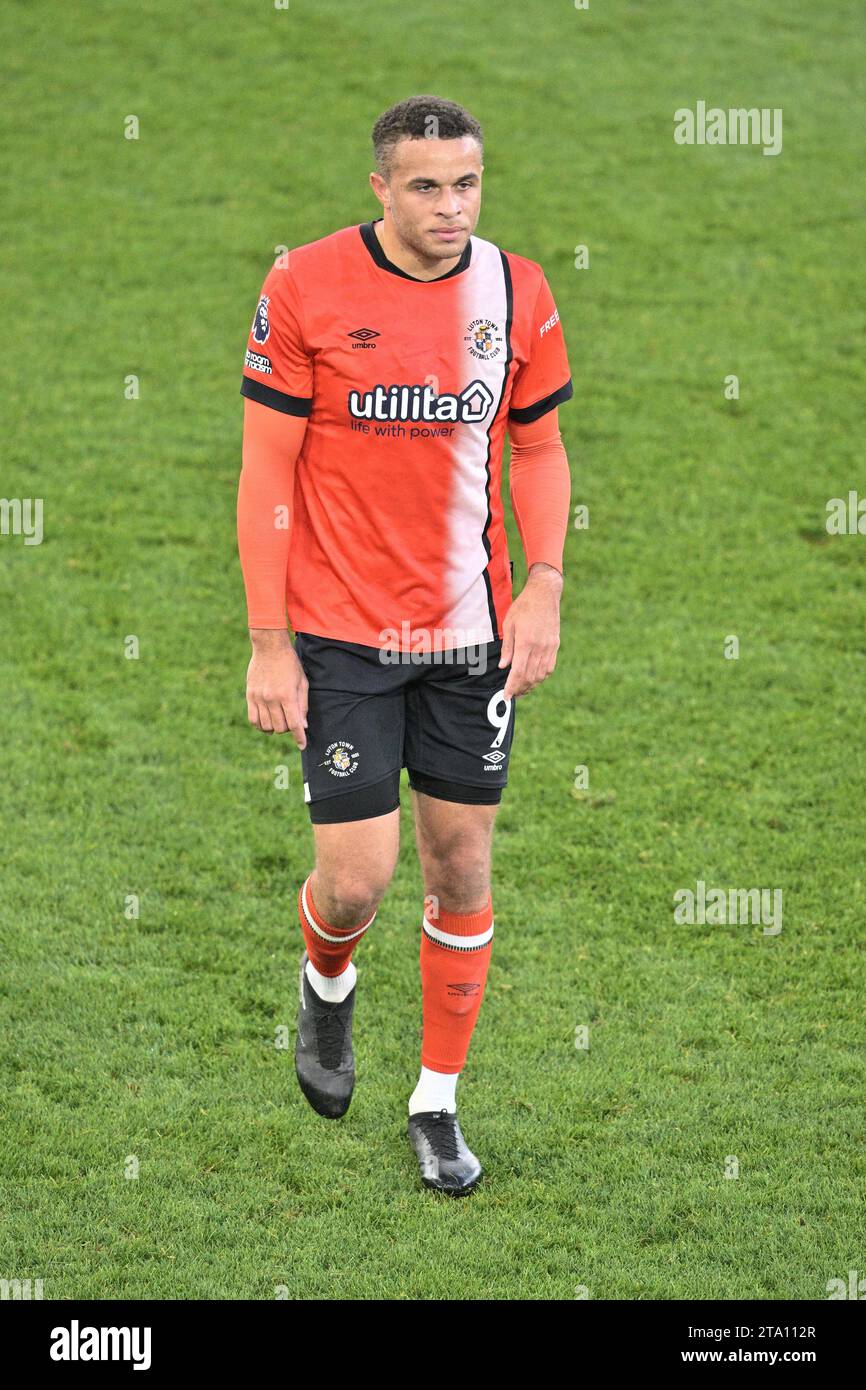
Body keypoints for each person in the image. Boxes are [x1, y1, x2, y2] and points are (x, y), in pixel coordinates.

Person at [237, 95, 572, 1195]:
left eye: (466, 183)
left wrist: (543, 584)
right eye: (424, 185)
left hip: (468, 636)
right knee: (356, 880)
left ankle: (435, 1103)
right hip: (338, 631)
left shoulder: (516, 290)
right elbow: (267, 471)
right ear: (378, 187)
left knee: (462, 860)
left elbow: (538, 446)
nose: (449, 206)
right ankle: (325, 982)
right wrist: (266, 640)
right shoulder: (305, 284)